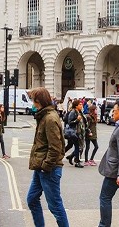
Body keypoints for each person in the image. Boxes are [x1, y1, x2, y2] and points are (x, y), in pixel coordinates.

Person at [27, 88, 70, 227]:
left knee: (55, 206)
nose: (32, 103)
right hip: (41, 167)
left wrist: (46, 166)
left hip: (48, 169)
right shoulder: (44, 115)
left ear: (38, 101)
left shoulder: (50, 118)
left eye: (33, 100)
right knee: (32, 199)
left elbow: (55, 147)